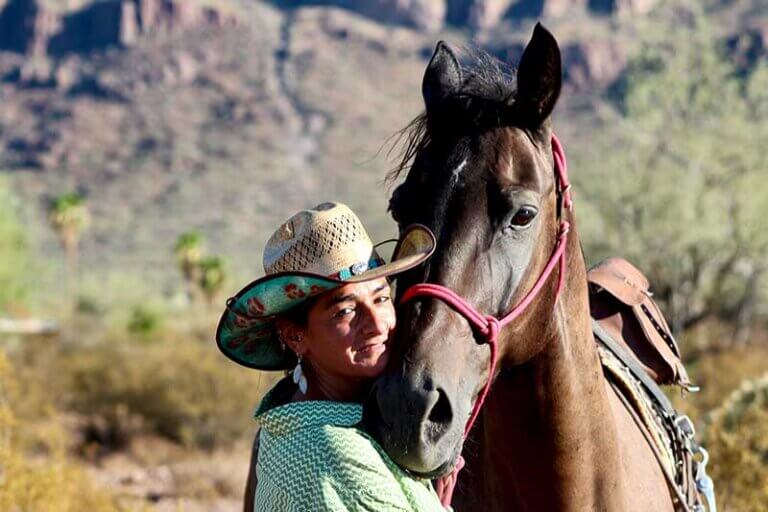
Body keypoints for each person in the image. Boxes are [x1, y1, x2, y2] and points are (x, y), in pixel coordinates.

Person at [215, 202, 444, 512]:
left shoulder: (289, 426)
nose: (377, 325)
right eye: (346, 311)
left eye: (380, 298)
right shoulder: (331, 453)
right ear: (295, 336)